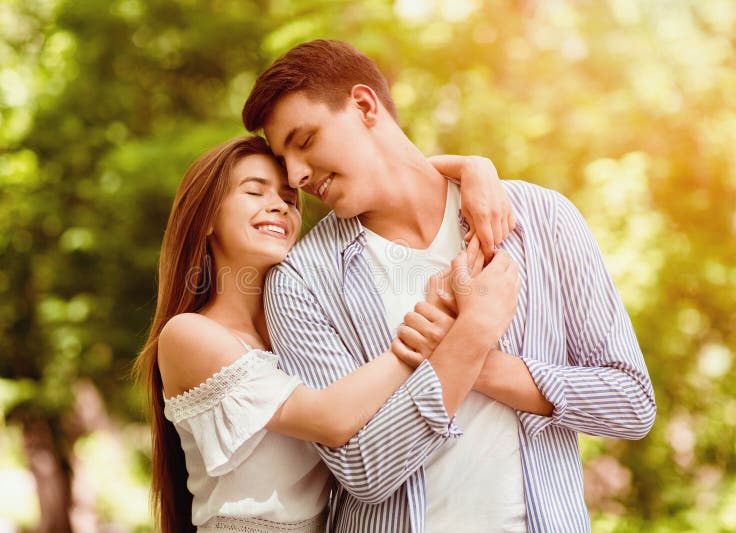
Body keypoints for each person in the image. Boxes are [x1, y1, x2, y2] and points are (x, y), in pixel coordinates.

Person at [242, 39, 657, 532]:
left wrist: (472, 358)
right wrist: (473, 332)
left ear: (364, 105)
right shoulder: (301, 282)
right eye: (284, 158)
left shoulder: (541, 219)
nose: (296, 175)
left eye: (305, 141)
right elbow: (362, 471)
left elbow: (632, 404)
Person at [134, 135, 519, 532]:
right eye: (254, 191)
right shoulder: (188, 335)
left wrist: (472, 167)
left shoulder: (302, 322)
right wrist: (430, 329)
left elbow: (389, 182)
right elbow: (328, 419)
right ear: (207, 217)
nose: (278, 206)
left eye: (289, 198)